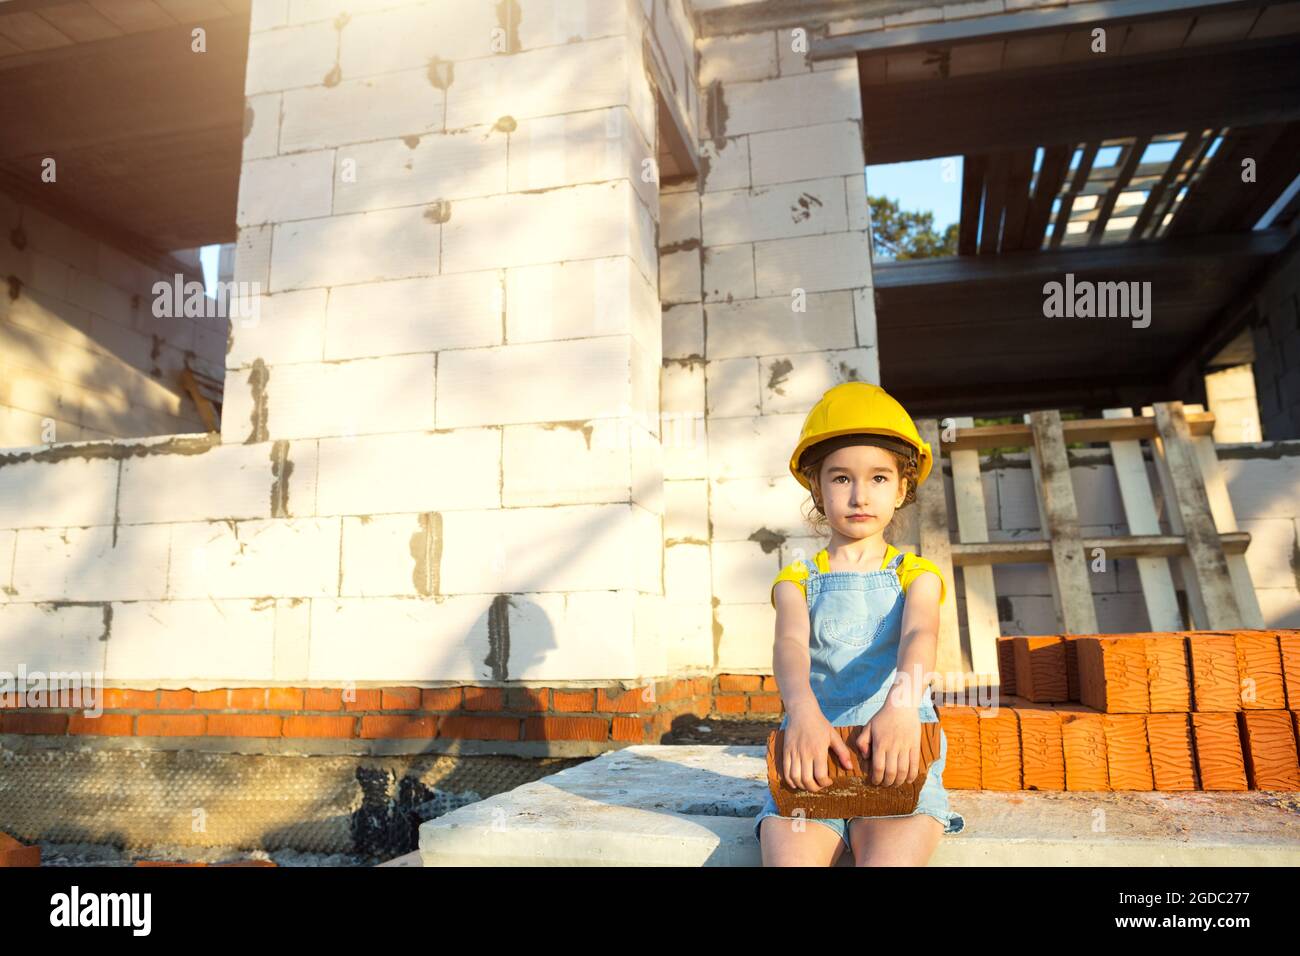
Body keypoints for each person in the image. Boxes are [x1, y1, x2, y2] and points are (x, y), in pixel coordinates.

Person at [754, 381, 966, 866]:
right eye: (841, 478)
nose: (859, 495)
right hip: (811, 755)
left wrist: (901, 708)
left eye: (878, 478)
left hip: (897, 750)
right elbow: (789, 645)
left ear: (903, 486)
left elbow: (919, 635)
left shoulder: (916, 575)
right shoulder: (798, 579)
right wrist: (803, 713)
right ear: (816, 486)